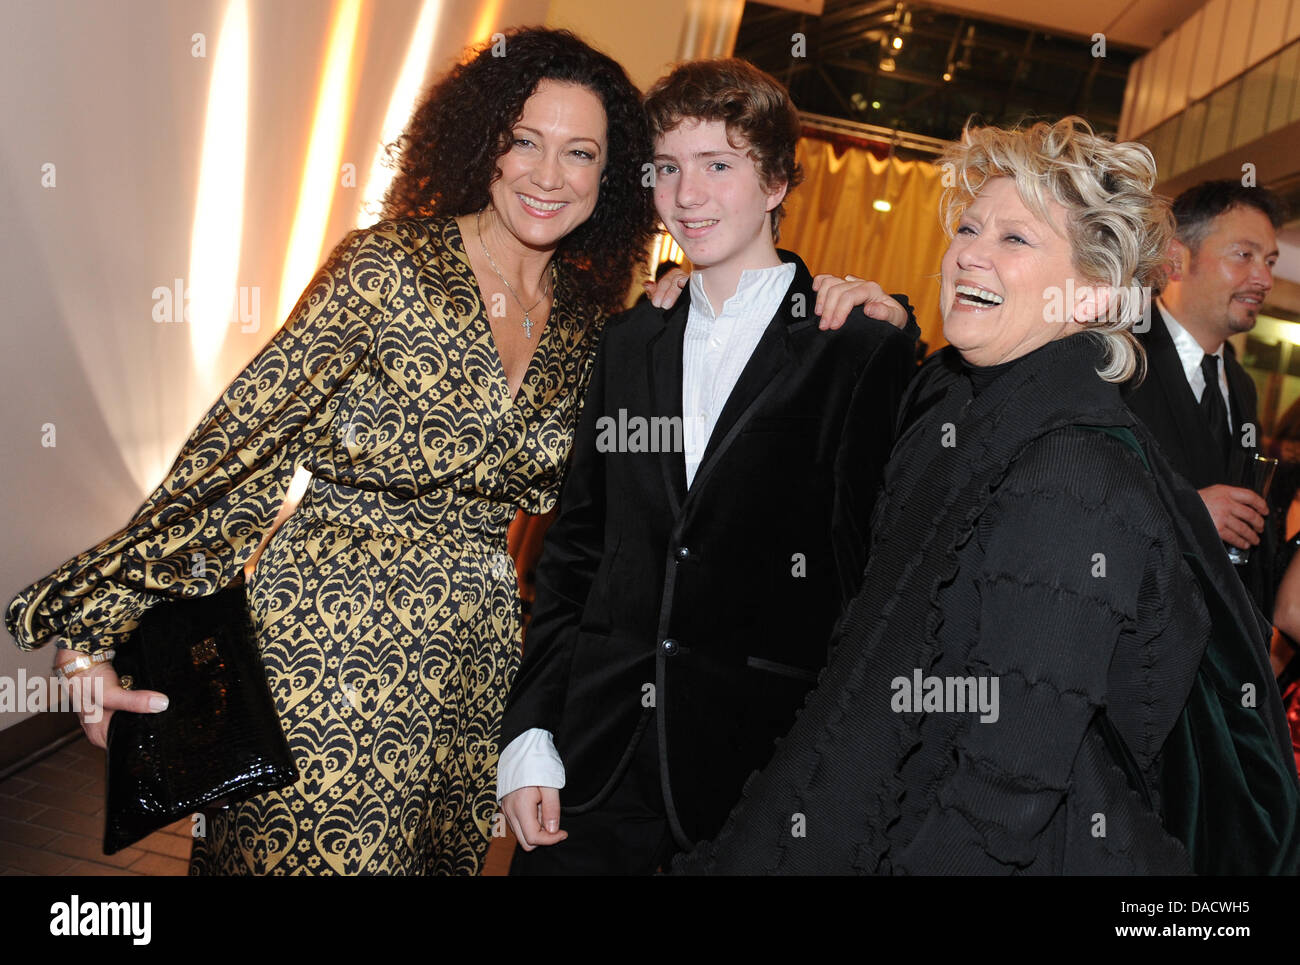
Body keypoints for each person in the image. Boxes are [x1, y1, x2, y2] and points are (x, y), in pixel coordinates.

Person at [5, 27, 665, 876]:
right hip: (325, 643)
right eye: (524, 141)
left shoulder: (587, 325)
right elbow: (239, 448)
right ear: (485, 147)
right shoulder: (388, 268)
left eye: (580, 153)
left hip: (471, 673)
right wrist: (89, 632)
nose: (548, 174)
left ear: (608, 177)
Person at [673, 117, 1300, 875]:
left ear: (1095, 295)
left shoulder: (1074, 472)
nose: (970, 249)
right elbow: (859, 680)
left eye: (1017, 239)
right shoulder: (962, 419)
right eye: (969, 227)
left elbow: (1003, 793)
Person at [497, 58, 918, 874]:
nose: (687, 195)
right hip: (591, 763)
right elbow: (576, 552)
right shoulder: (628, 340)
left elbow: (867, 582)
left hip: (754, 776)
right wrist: (531, 731)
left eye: (718, 165)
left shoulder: (858, 347)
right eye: (667, 168)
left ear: (774, 183)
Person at [1122, 181, 1286, 617]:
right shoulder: (1117, 357)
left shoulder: (1239, 383)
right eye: (1244, 255)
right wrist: (1187, 512)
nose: (1264, 279)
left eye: (1269, 261)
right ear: (1176, 259)